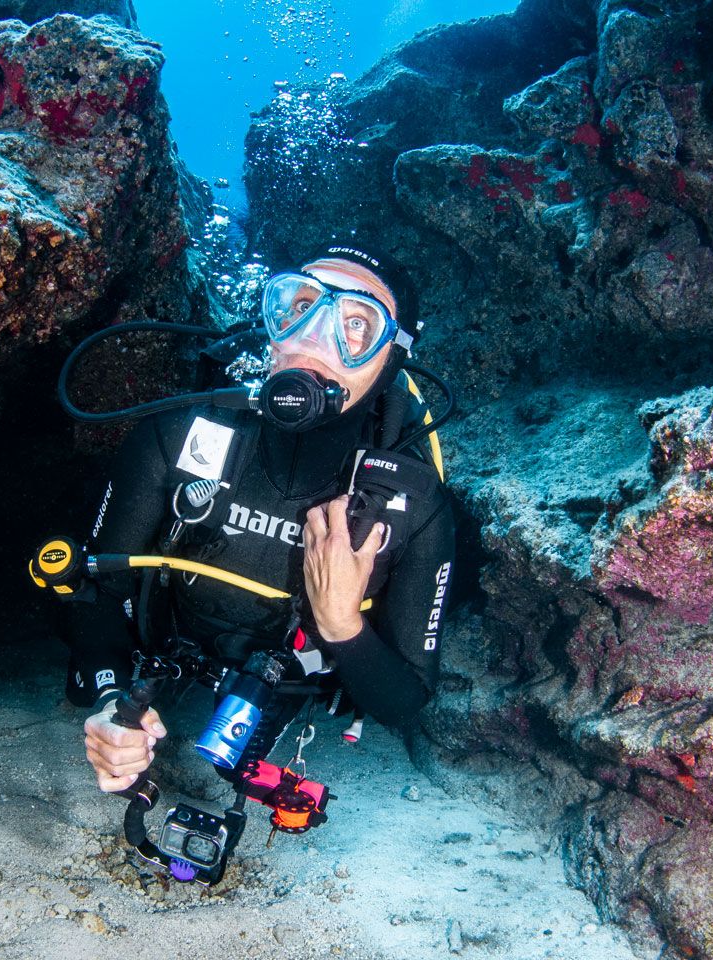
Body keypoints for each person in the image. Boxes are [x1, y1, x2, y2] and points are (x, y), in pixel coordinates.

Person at [67, 244, 455, 797]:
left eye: (355, 326)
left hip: (294, 682)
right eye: (297, 305)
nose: (313, 337)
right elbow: (94, 586)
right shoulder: (181, 434)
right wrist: (111, 699)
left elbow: (405, 698)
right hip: (168, 646)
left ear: (390, 360)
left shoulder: (410, 505)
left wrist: (344, 626)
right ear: (270, 323)